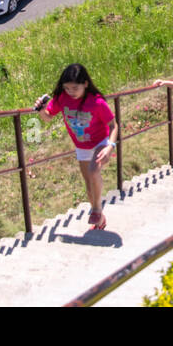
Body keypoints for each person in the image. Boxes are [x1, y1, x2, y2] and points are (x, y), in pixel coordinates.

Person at [34, 63, 117, 229]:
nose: (71, 92)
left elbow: (114, 125)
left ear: (85, 84)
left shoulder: (97, 102)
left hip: (100, 141)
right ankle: (99, 219)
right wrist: (41, 110)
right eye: (67, 88)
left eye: (75, 88)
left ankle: (96, 209)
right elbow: (48, 117)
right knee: (88, 183)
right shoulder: (62, 98)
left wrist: (110, 146)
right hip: (81, 145)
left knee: (94, 171)